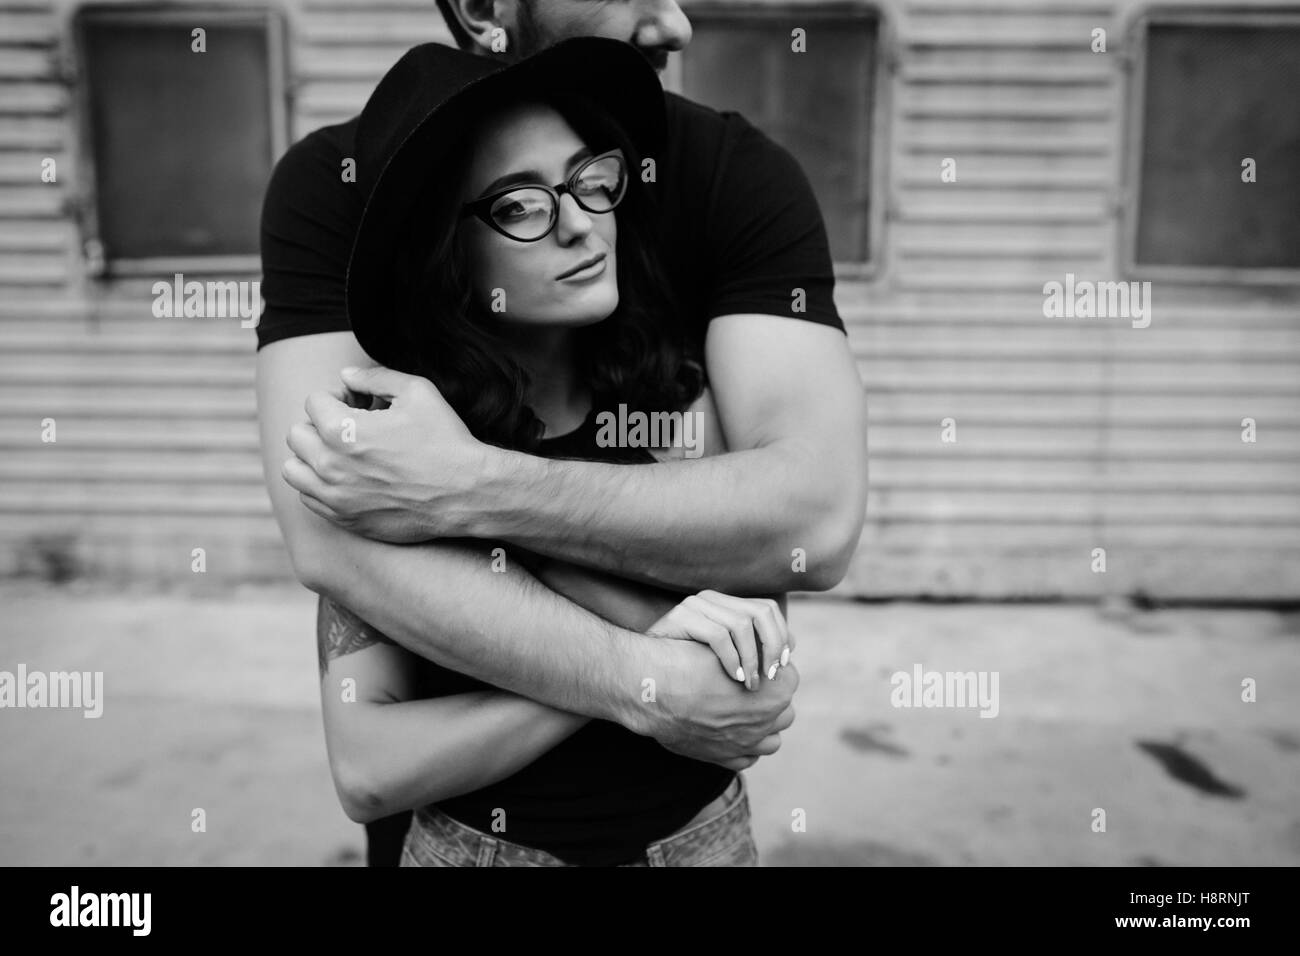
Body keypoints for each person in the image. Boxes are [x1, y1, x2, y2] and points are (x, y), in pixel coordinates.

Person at [256, 0, 869, 866]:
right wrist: (634, 680)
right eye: (520, 206)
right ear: (452, 255)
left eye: (592, 180)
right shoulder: (397, 454)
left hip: (702, 840)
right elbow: (367, 766)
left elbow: (768, 608)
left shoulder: (665, 420)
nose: (580, 223)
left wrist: (469, 495)